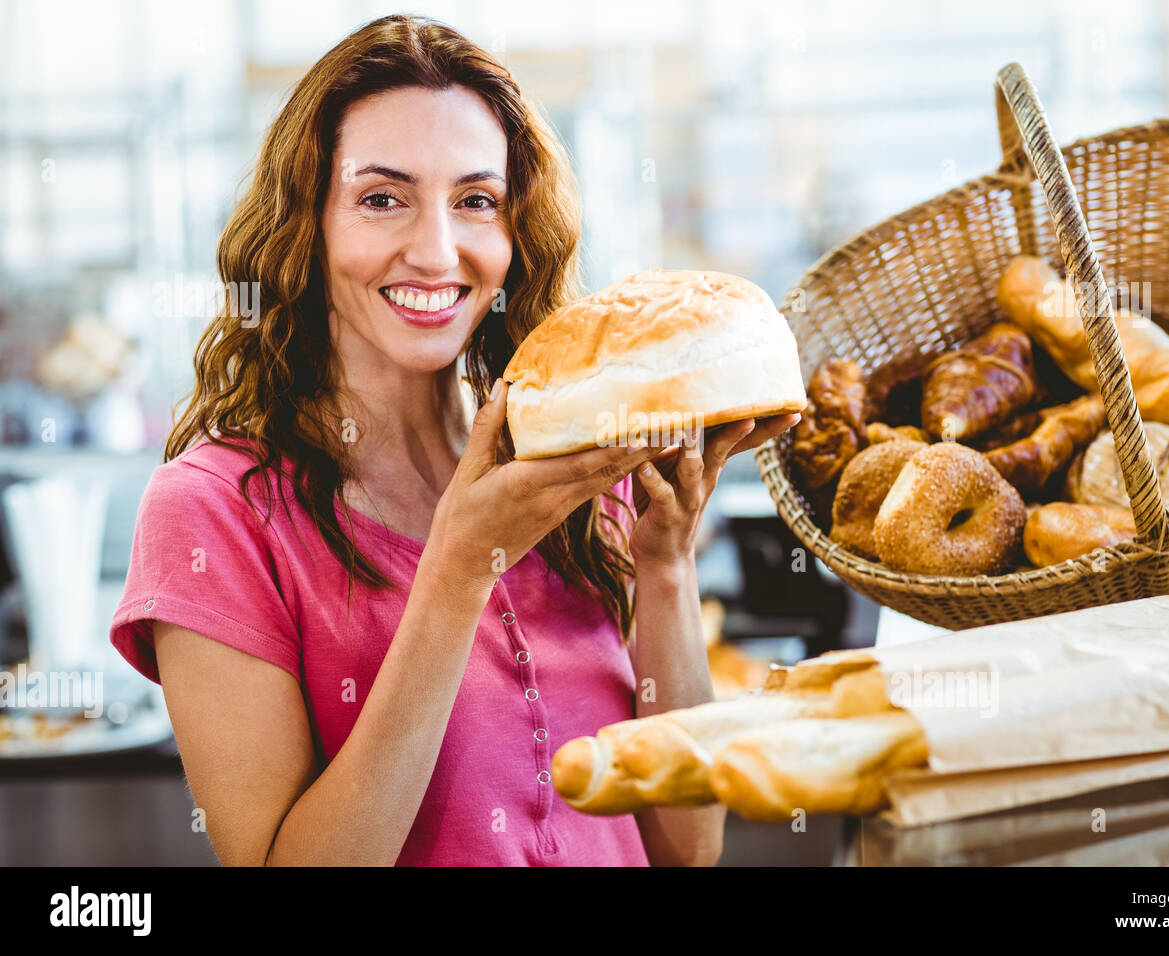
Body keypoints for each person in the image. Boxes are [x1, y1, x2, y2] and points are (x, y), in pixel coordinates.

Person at [110, 14, 797, 866]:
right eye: (382, 198)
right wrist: (461, 566)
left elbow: (686, 844)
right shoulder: (213, 514)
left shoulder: (571, 460)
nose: (437, 251)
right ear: (306, 227)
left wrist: (666, 564)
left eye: (476, 201)